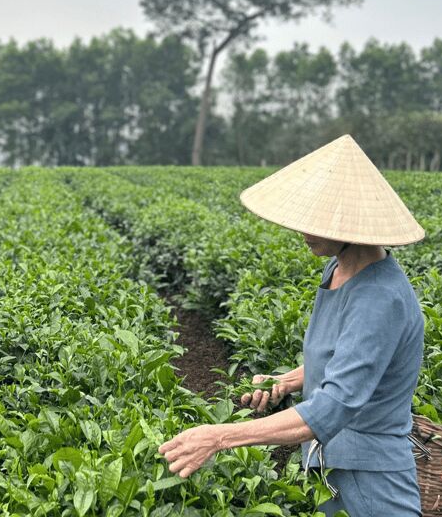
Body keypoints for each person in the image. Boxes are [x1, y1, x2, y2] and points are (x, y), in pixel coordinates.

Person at [159, 134, 425, 517]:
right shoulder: (339, 268)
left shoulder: (379, 298)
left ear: (349, 223)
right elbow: (342, 360)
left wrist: (218, 437)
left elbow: (333, 407)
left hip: (371, 482)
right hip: (330, 466)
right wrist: (285, 381)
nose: (303, 230)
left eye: (316, 221)